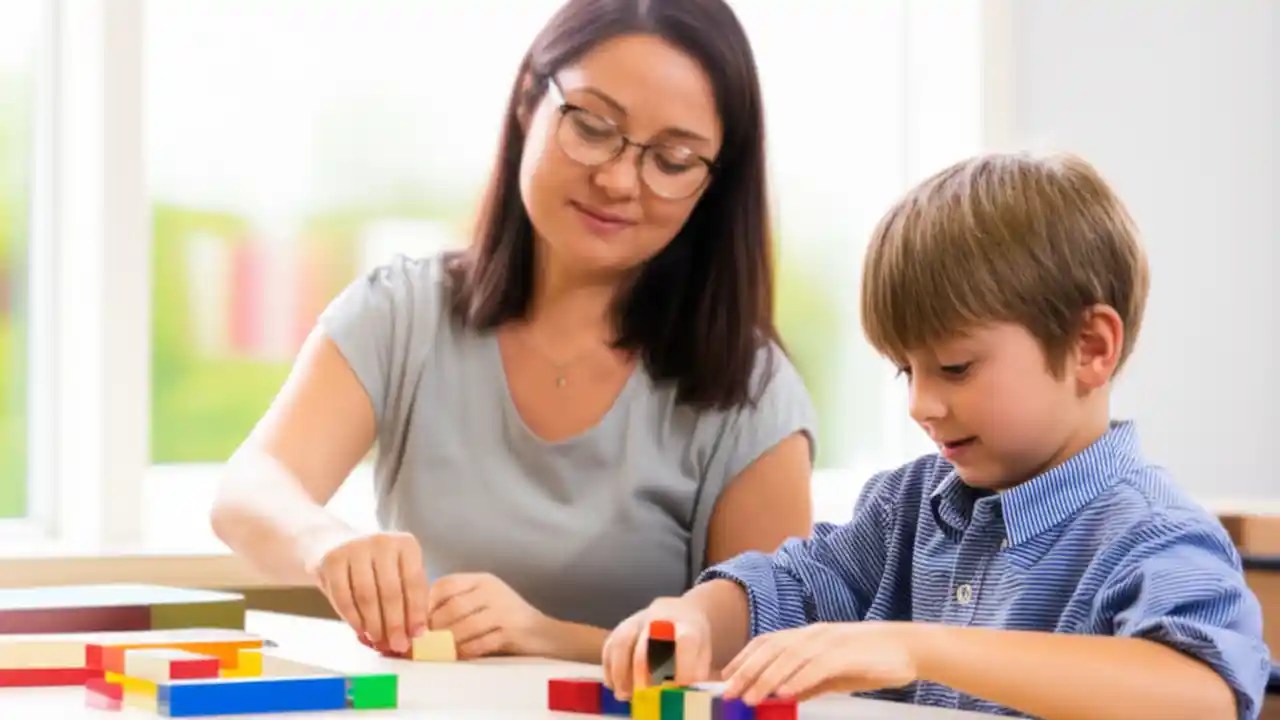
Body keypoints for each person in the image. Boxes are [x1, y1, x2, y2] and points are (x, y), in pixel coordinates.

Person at [210, 0, 817, 666]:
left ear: (714, 184)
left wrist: (544, 635)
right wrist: (324, 543)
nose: (618, 180)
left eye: (672, 161)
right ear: (529, 99)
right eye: (592, 127)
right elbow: (247, 491)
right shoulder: (403, 314)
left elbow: (769, 660)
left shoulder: (749, 392)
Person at [601, 152, 1272, 719]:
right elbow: (786, 587)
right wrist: (690, 618)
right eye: (906, 370)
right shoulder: (906, 511)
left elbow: (1203, 693)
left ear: (1090, 347)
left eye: (955, 368)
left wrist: (921, 648)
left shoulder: (1152, 535)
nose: (921, 404)